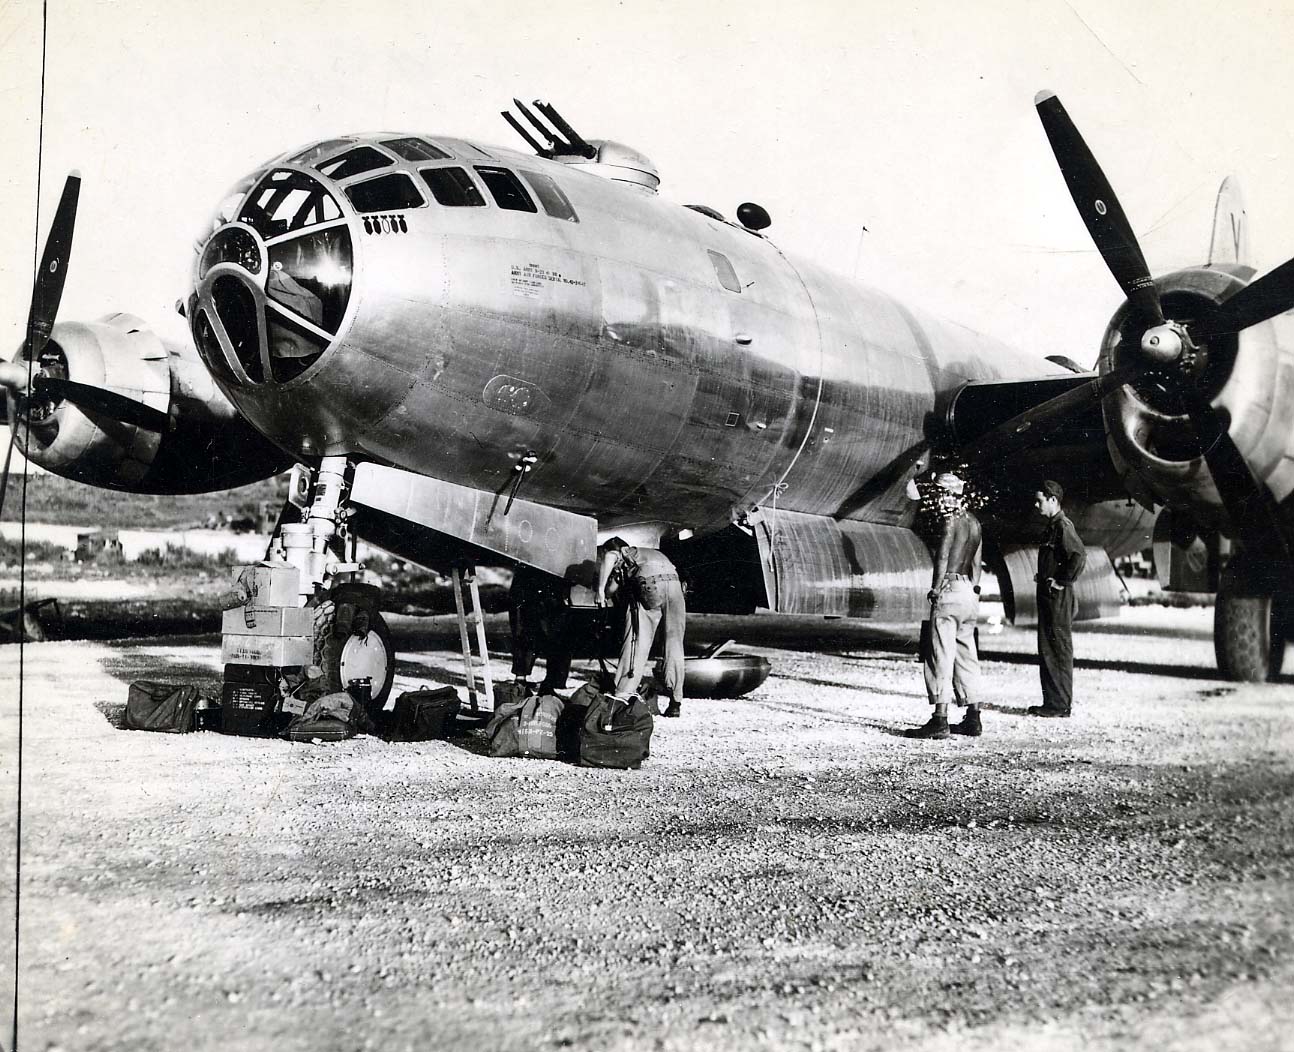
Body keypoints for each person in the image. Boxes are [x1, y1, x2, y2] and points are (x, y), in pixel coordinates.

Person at [905, 471, 984, 740]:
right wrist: (973, 591)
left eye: (939, 494)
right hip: (969, 592)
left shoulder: (951, 521)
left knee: (940, 653)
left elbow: (942, 557)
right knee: (967, 654)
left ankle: (939, 718)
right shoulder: (974, 523)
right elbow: (976, 564)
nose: (937, 499)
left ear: (949, 495)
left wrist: (936, 588)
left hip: (949, 589)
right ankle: (973, 717)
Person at [595, 538, 686, 717]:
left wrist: (599, 590)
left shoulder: (623, 552)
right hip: (675, 587)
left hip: (650, 585)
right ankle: (675, 701)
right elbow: (612, 589)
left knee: (636, 641)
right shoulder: (649, 553)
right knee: (674, 643)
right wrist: (607, 592)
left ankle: (622, 695)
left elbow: (610, 558)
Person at [1031, 479, 1087, 717]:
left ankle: (1060, 705)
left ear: (1052, 500)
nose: (1036, 505)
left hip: (1057, 597)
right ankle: (1052, 702)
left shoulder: (1062, 525)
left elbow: (1078, 556)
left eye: (1040, 500)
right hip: (1049, 595)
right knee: (1048, 646)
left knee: (1057, 648)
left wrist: (1062, 581)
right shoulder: (1053, 526)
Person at [507, 565, 574, 695]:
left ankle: (554, 682)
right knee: (524, 627)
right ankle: (521, 678)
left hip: (555, 577)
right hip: (531, 575)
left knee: (558, 631)